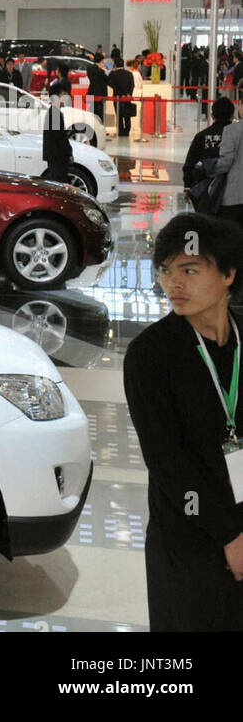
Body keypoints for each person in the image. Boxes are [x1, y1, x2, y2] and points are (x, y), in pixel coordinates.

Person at [124, 212, 243, 631]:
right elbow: (167, 461)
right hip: (189, 534)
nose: (174, 284)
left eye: (189, 270)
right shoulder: (150, 355)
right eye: (166, 271)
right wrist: (229, 535)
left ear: (228, 274)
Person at [185, 98, 235, 211]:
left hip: (205, 193)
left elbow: (190, 163)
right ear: (232, 115)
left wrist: (187, 186)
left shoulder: (202, 136)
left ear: (212, 115)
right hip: (234, 193)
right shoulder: (237, 137)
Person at [41, 80, 72, 184]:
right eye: (63, 94)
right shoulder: (55, 112)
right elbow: (60, 137)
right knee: (58, 183)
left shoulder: (55, 111)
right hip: (57, 156)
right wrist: (69, 151)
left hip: (55, 156)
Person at [108, 59, 137, 138]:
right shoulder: (129, 73)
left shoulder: (113, 73)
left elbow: (109, 82)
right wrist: (128, 94)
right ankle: (127, 131)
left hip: (117, 96)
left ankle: (121, 132)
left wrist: (117, 90)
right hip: (127, 97)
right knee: (127, 114)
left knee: (119, 115)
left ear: (115, 65)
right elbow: (132, 85)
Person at [85, 52, 109, 125]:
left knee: (91, 114)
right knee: (100, 115)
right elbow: (107, 80)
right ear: (101, 61)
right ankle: (100, 130)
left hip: (91, 92)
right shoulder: (101, 71)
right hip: (100, 94)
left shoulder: (89, 68)